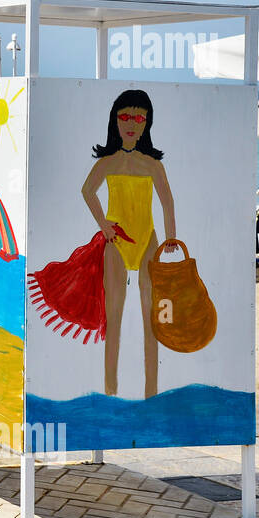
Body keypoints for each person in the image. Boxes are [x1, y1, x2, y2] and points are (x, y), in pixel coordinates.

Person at [80, 90, 176, 399]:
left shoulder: (153, 164)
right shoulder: (108, 162)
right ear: (115, 120)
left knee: (151, 320)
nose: (131, 124)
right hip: (117, 243)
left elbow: (167, 202)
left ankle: (152, 393)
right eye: (125, 117)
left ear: (147, 122)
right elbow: (87, 191)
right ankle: (110, 392)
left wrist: (171, 237)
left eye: (139, 117)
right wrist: (103, 224)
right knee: (115, 318)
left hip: (148, 241)